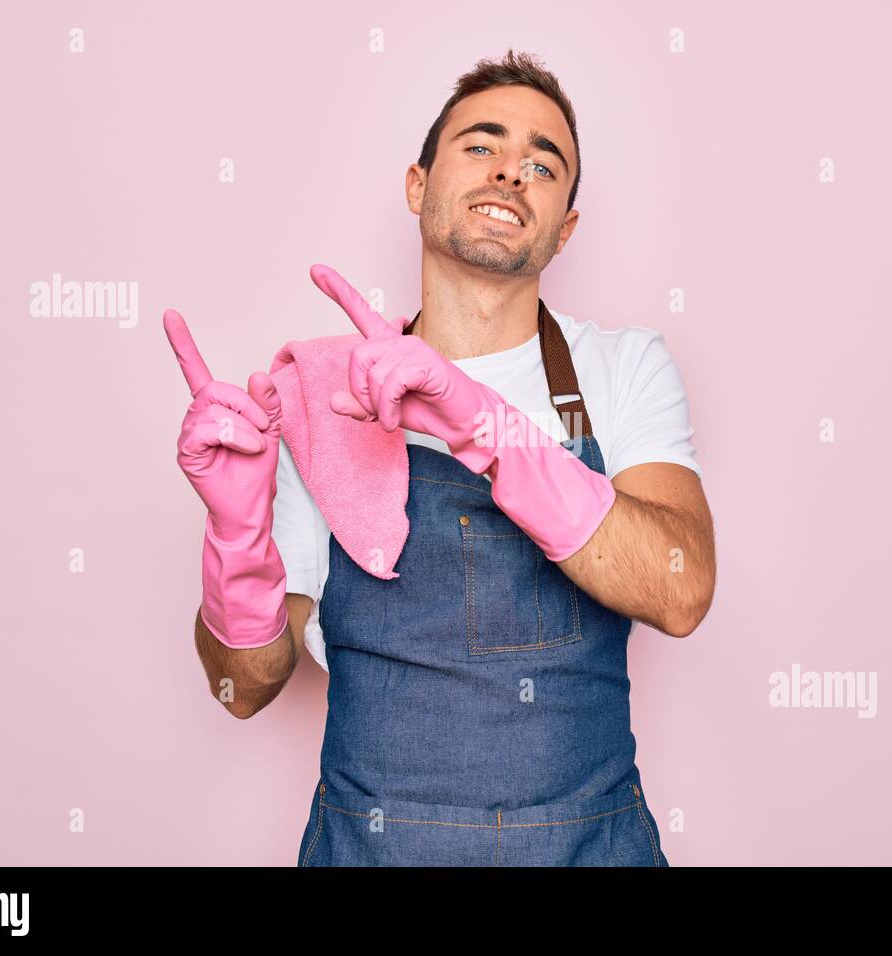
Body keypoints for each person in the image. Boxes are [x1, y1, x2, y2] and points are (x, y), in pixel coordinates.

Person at [164, 49, 715, 866]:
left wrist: (481, 424)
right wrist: (237, 533)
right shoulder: (320, 399)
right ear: (418, 185)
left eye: (542, 163)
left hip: (590, 848)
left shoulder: (622, 368)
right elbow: (242, 689)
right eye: (481, 144)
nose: (509, 173)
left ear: (565, 228)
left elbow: (680, 591)